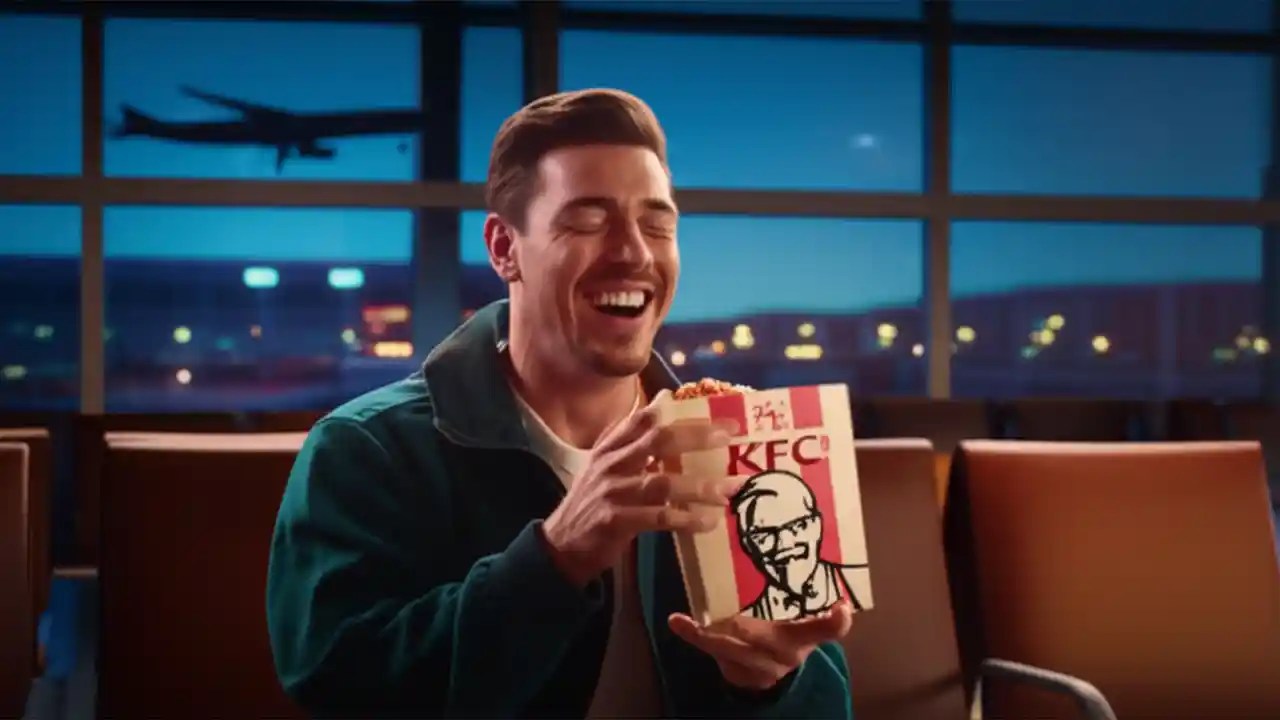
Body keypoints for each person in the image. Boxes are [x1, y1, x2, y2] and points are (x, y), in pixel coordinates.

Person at [266, 88, 855, 719]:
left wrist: (767, 686)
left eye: (657, 223)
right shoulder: (366, 449)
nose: (634, 252)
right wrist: (557, 557)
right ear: (503, 249)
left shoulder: (741, 444)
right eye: (588, 220)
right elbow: (340, 687)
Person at [733, 470, 867, 621]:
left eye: (797, 526)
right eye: (764, 535)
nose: (784, 545)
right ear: (748, 546)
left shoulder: (859, 586)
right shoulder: (743, 622)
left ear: (817, 526)